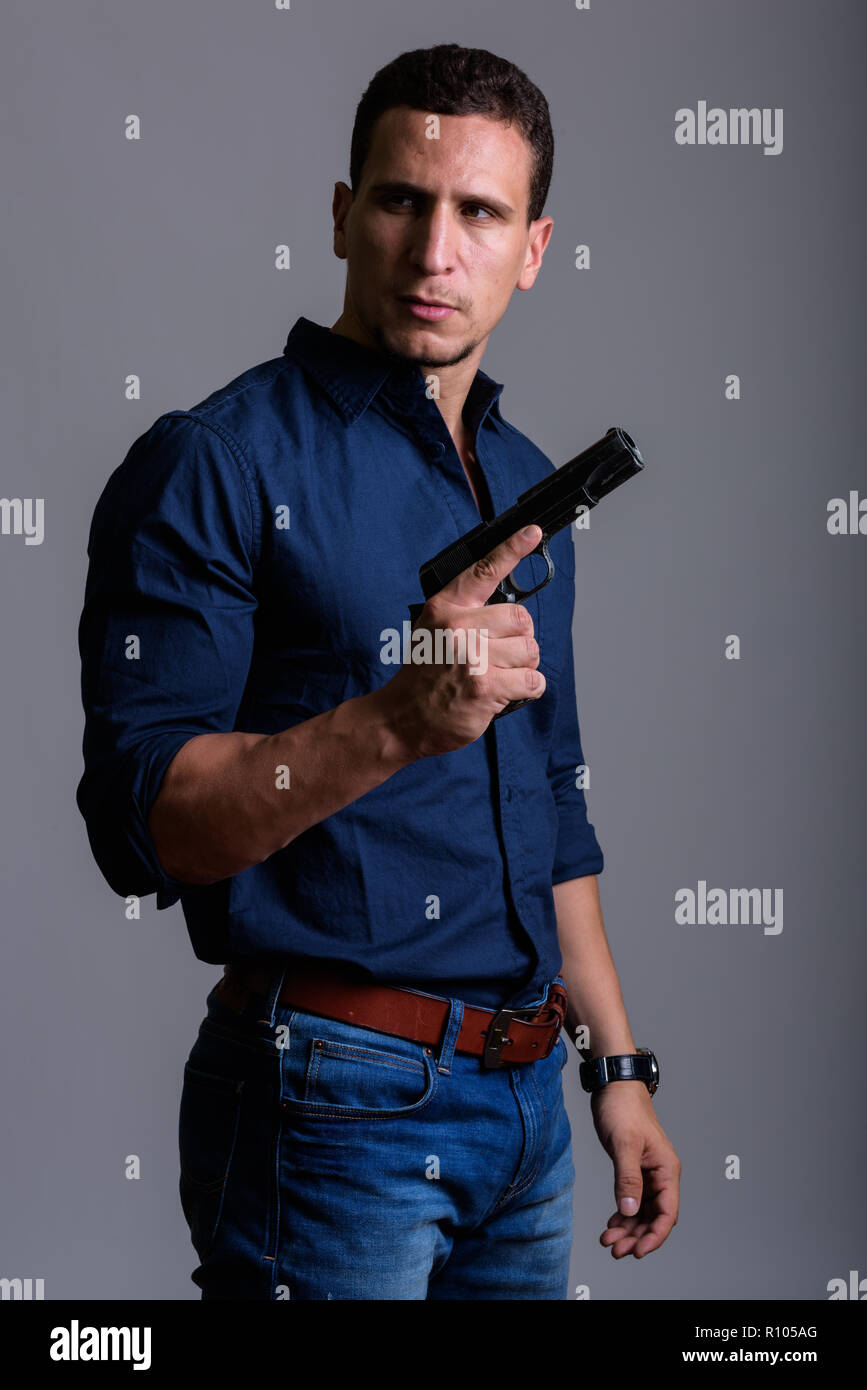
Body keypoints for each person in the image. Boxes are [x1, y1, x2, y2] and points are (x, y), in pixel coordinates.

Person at [76, 42, 680, 1300]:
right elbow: (150, 824)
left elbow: (550, 802)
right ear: (345, 214)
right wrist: (399, 721)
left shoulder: (521, 483)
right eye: (403, 201)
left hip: (526, 1114)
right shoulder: (215, 463)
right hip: (332, 1094)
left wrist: (616, 1071)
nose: (435, 250)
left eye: (481, 213)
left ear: (535, 245)